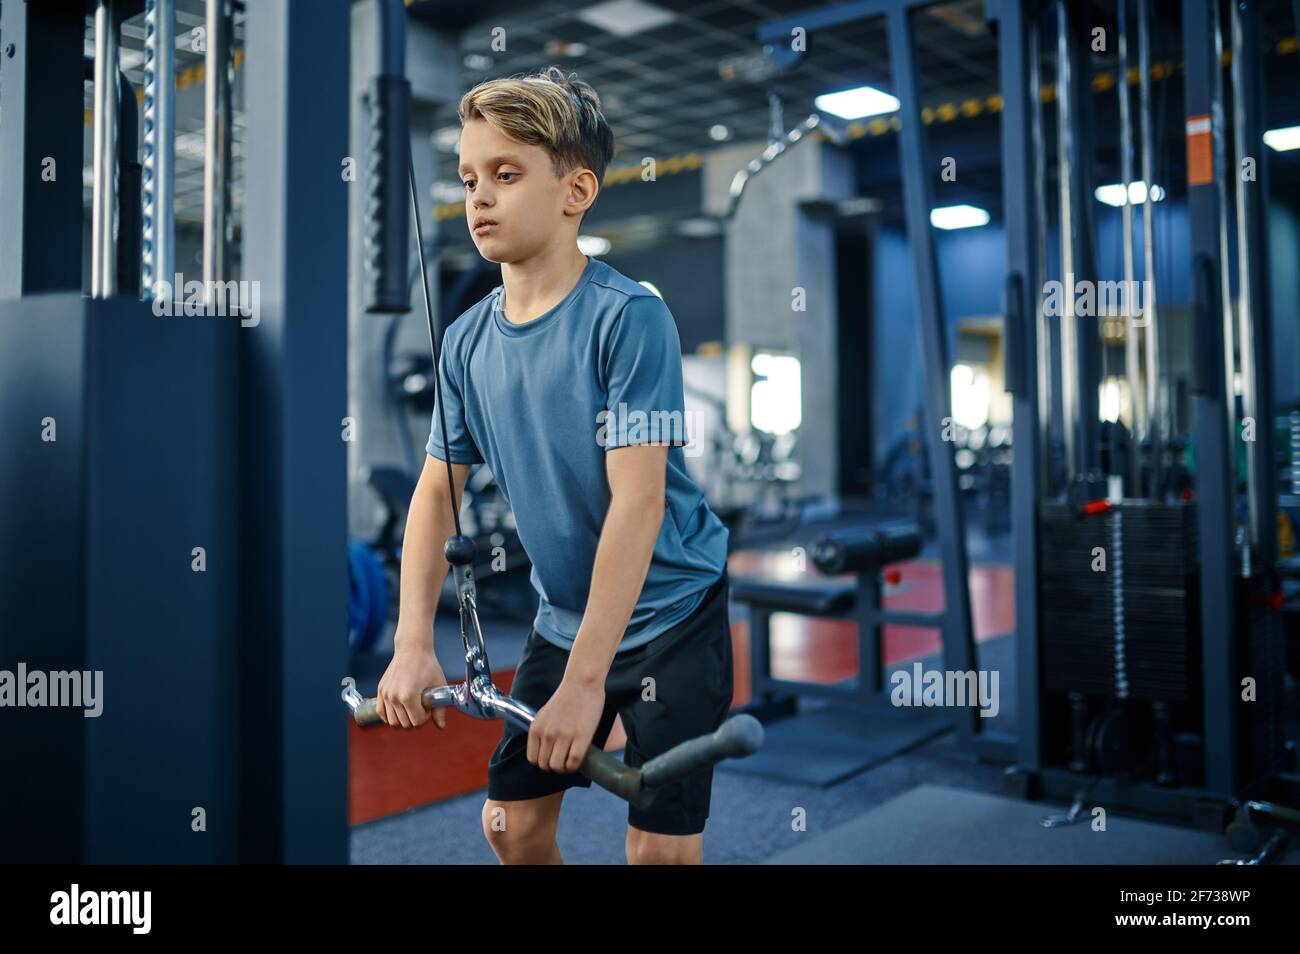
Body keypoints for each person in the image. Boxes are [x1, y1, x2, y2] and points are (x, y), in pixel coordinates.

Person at [376, 67, 732, 865]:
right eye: (469, 178)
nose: (479, 198)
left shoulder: (629, 318)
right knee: (511, 824)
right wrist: (411, 642)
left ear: (575, 192)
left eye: (506, 175)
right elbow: (437, 492)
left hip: (673, 612)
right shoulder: (465, 341)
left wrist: (583, 689)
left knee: (658, 850)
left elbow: (637, 506)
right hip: (563, 614)